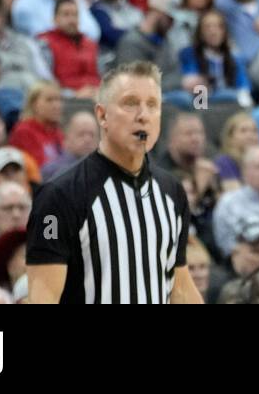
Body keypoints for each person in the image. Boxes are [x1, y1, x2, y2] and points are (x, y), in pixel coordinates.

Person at [25, 61, 202, 303]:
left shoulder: (172, 192)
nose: (143, 116)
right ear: (102, 115)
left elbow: (179, 286)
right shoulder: (59, 196)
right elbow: (43, 299)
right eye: (130, 103)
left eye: (152, 105)